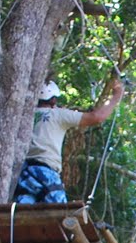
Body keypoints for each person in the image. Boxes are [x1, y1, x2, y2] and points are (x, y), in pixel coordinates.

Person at [13, 75, 125, 204]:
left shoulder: (23, 116)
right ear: (53, 100)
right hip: (46, 172)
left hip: (24, 175)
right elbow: (96, 117)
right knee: (60, 213)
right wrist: (116, 96)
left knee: (22, 212)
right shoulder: (58, 115)